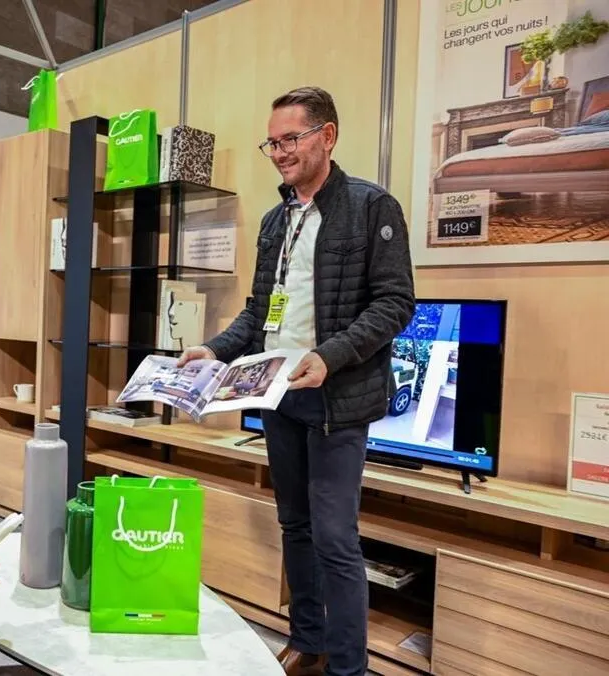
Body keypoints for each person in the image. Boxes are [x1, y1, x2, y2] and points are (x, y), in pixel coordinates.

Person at [178, 87, 415, 676]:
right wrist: (214, 347)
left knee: (336, 538)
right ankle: (308, 641)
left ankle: (348, 668)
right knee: (296, 527)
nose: (280, 152)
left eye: (291, 139)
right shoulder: (274, 219)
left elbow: (395, 303)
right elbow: (261, 312)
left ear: (327, 136)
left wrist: (330, 357)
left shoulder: (370, 206)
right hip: (277, 396)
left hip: (336, 398)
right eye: (273, 142)